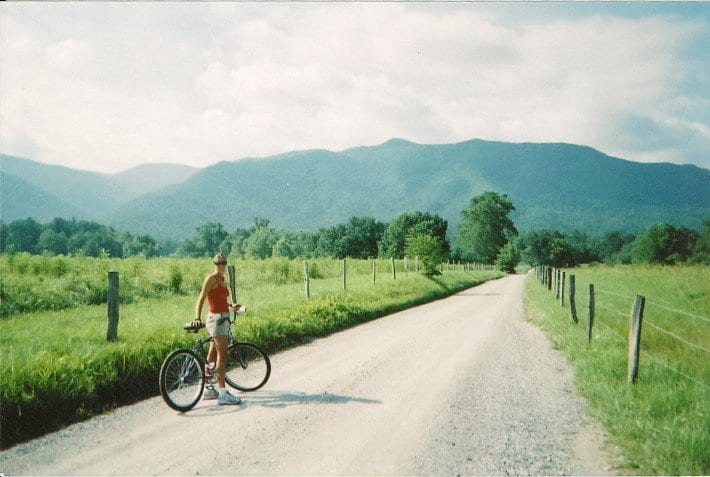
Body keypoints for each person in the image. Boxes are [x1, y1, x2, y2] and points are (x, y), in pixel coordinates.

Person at [193, 253, 242, 405]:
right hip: (216, 319)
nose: (221, 266)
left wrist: (231, 307)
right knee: (223, 354)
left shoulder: (222, 280)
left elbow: (221, 301)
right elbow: (201, 298)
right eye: (218, 263)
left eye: (223, 263)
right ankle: (222, 392)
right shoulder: (211, 279)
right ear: (214, 264)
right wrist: (197, 317)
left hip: (223, 317)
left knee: (212, 355)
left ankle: (208, 390)